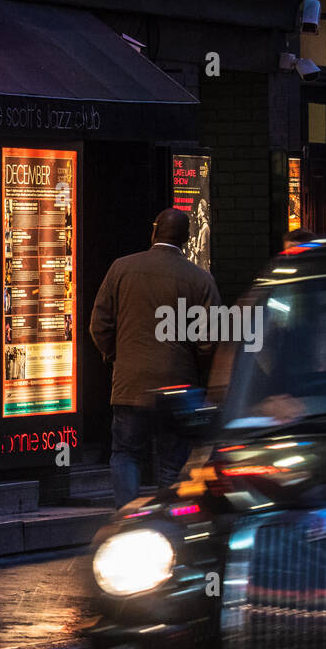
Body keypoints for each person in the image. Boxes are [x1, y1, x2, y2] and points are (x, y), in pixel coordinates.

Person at [90, 207, 222, 510]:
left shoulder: (121, 269)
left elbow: (99, 324)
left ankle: (126, 517)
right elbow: (209, 340)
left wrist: (115, 357)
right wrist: (195, 370)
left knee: (125, 453)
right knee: (172, 462)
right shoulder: (200, 279)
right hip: (178, 386)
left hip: (129, 383)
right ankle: (167, 521)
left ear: (153, 231)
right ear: (188, 239)